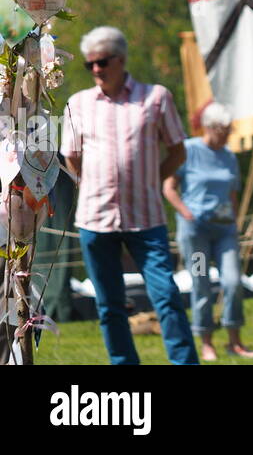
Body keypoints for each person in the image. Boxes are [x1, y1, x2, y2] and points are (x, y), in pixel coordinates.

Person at [64, 26, 199, 366]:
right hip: (95, 218)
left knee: (166, 295)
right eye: (89, 64)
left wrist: (152, 180)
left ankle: (185, 362)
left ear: (121, 59)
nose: (96, 69)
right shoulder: (78, 103)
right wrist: (91, 182)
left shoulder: (155, 97)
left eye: (103, 61)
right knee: (109, 304)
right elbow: (72, 156)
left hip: (146, 217)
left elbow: (177, 151)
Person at [163, 102, 253, 360]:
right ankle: (206, 341)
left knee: (233, 281)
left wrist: (236, 222)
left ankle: (234, 340)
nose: (227, 134)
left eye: (229, 129)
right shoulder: (190, 150)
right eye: (223, 129)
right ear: (209, 127)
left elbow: (233, 192)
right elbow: (169, 187)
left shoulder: (229, 156)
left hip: (225, 231)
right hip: (196, 233)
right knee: (201, 283)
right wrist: (185, 212)